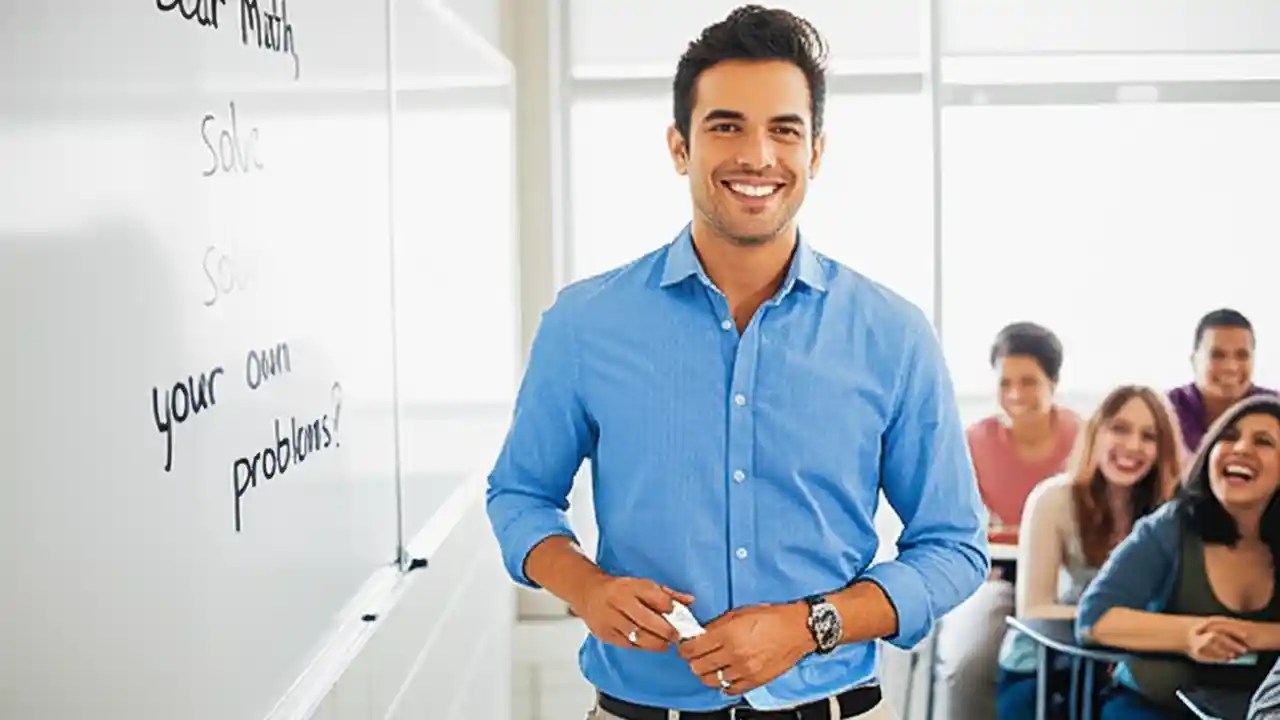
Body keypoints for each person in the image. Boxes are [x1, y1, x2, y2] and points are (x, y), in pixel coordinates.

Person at [484, 6, 988, 719]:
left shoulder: (893, 335)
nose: (757, 156)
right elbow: (519, 495)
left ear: (815, 152)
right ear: (679, 146)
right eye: (726, 126)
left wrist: (811, 625)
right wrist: (586, 587)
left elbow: (954, 547)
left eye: (784, 130)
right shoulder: (584, 325)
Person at [1076, 395, 1280, 718]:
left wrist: (1261, 635)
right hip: (1151, 706)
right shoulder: (1170, 526)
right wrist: (1189, 635)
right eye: (1228, 437)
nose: (1240, 449)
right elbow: (1094, 618)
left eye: (1264, 442)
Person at [994, 385, 1183, 719]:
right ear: (1096, 433)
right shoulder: (1053, 499)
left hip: (1127, 666)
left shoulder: (1171, 512)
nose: (1133, 446)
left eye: (1149, 436)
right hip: (1044, 660)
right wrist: (1110, 620)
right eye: (1120, 429)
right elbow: (1034, 607)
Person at [932, 322, 1080, 720]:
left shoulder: (1082, 437)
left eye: (1029, 382)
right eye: (1006, 382)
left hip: (1064, 581)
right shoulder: (973, 442)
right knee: (968, 662)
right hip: (993, 577)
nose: (1016, 395)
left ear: (1054, 381)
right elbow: (956, 526)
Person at [1169, 309, 1276, 455]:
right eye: (1217, 355)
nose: (1231, 367)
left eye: (1242, 355)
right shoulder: (1166, 411)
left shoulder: (1274, 409)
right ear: (1194, 361)